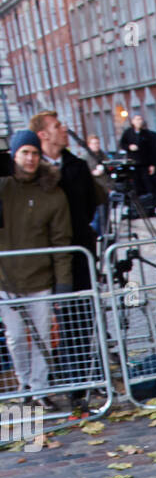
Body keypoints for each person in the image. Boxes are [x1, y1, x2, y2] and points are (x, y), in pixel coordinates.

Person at [31, 111, 101, 408]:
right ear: (44, 134)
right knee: (41, 323)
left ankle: (81, 385)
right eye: (57, 126)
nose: (65, 130)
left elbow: (89, 204)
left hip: (78, 251)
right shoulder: (31, 170)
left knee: (82, 317)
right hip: (42, 259)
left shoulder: (75, 166)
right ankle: (35, 392)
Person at [0, 130, 73, 410]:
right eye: (24, 153)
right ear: (14, 156)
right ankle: (24, 385)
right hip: (6, 279)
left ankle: (40, 389)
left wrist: (63, 282)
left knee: (43, 337)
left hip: (39, 278)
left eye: (33, 152)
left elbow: (60, 240)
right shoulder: (4, 187)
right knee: (16, 337)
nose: (30, 159)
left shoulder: (51, 192)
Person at [118, 113, 156, 213]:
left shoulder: (147, 134)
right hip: (134, 164)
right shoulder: (128, 133)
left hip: (145, 164)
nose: (139, 121)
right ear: (133, 121)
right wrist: (129, 147)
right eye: (137, 119)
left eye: (140, 119)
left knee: (149, 184)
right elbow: (122, 144)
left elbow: (152, 150)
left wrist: (152, 164)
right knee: (136, 186)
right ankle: (137, 206)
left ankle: (154, 204)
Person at [84, 133, 111, 237]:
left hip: (105, 189)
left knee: (106, 216)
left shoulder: (102, 155)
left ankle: (106, 235)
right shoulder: (86, 157)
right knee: (98, 217)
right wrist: (93, 172)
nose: (96, 145)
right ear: (89, 144)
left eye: (97, 143)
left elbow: (109, 168)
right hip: (95, 190)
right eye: (94, 143)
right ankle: (97, 236)